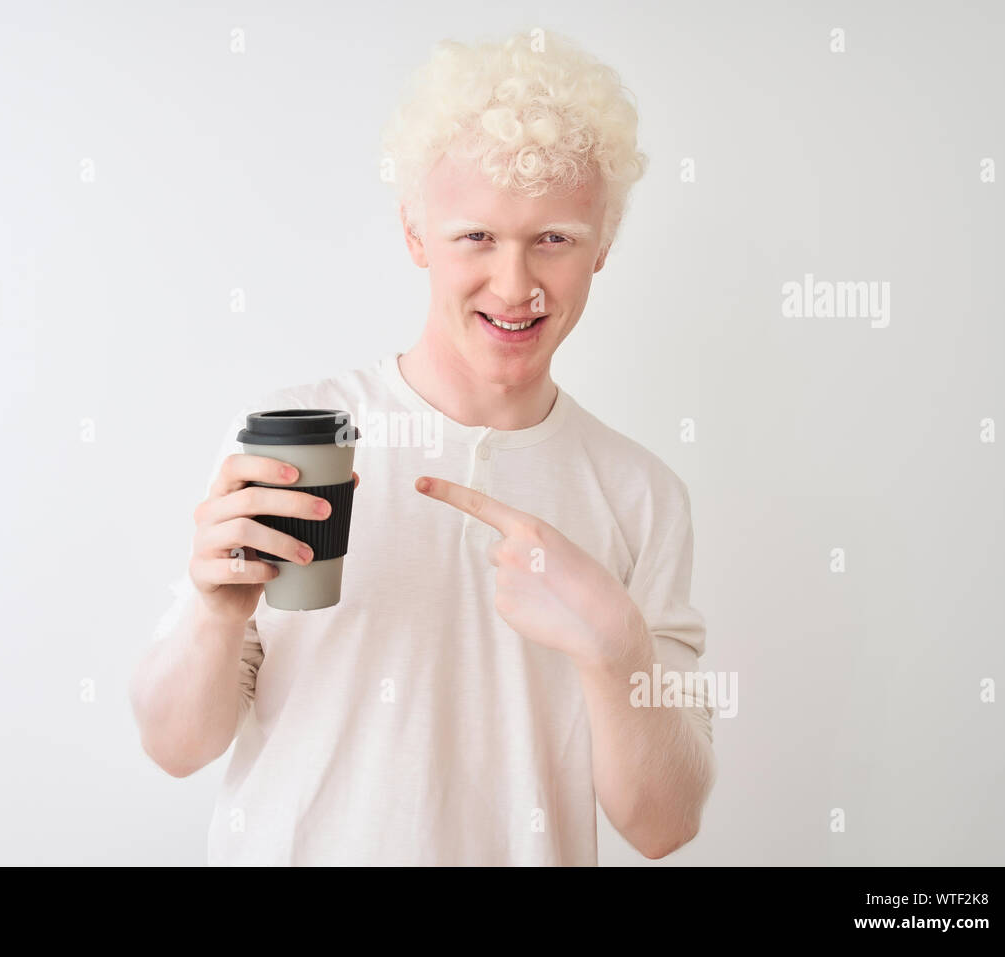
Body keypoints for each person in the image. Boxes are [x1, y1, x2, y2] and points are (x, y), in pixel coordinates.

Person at [129, 27, 716, 865]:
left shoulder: (640, 493)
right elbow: (174, 746)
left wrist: (617, 645)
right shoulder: (294, 437)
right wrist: (214, 613)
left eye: (554, 238)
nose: (514, 285)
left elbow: (666, 823)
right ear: (415, 235)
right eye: (475, 236)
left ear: (603, 248)